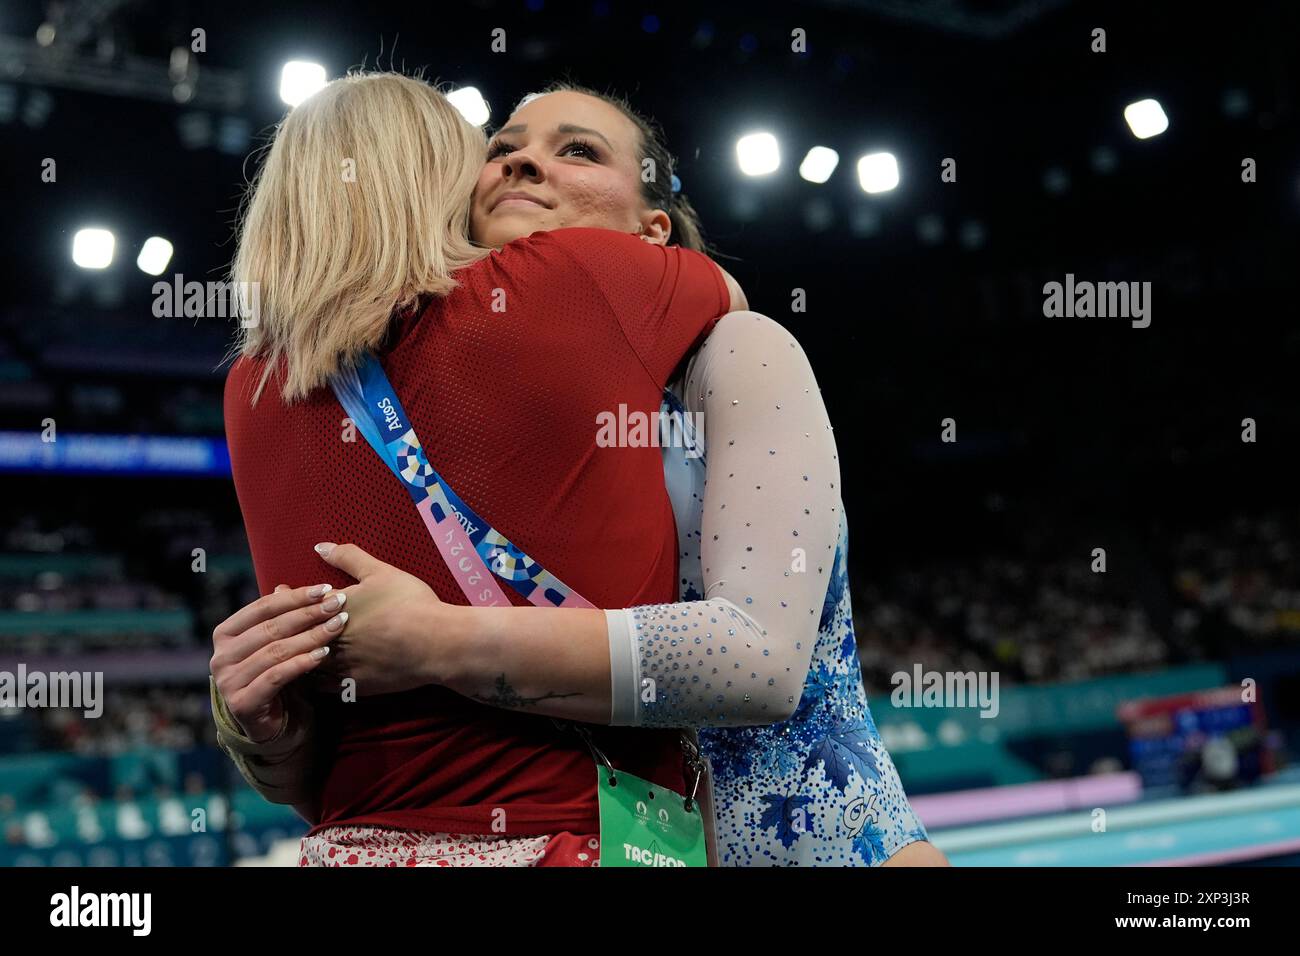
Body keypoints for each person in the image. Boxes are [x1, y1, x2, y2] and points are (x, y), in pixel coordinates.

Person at [214, 79, 945, 866]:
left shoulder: (739, 352)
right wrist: (263, 734)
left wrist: (440, 640)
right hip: (635, 840)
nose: (526, 164)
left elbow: (761, 661)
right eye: (503, 149)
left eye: (579, 151)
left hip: (816, 842)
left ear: (652, 229)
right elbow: (361, 746)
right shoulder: (437, 376)